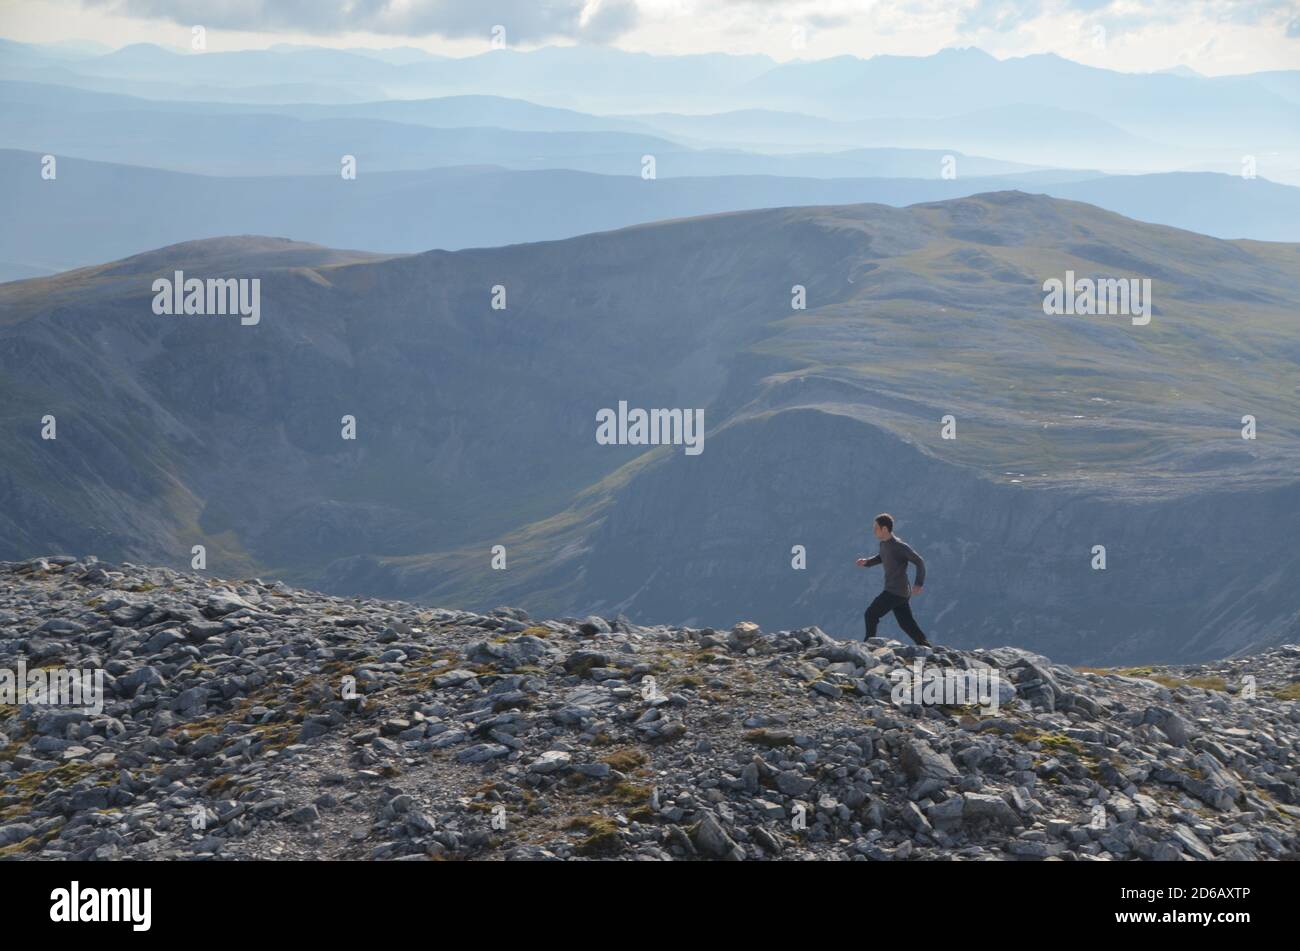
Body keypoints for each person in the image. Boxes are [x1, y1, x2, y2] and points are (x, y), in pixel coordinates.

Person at [855, 513, 931, 646]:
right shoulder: (884, 544)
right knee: (906, 623)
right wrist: (866, 562)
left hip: (895, 591)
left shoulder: (899, 546)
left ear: (884, 529)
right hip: (900, 592)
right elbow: (881, 557)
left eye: (876, 528)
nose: (874, 531)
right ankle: (926, 646)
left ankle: (867, 646)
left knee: (871, 614)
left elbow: (919, 562)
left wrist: (919, 583)